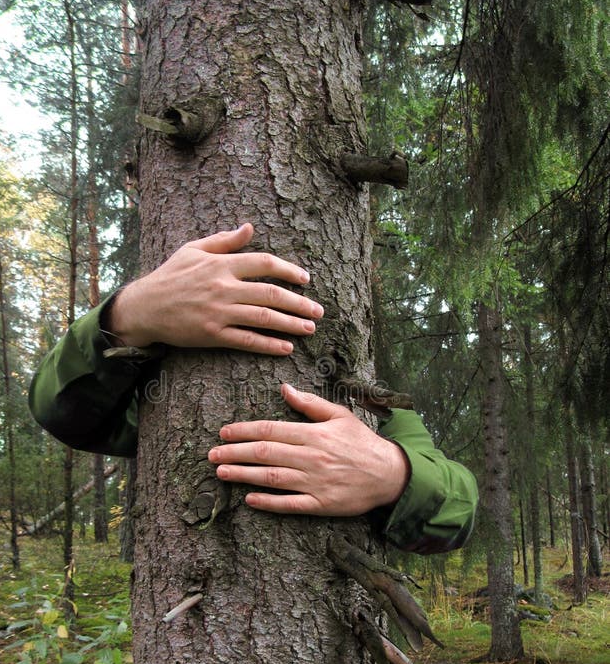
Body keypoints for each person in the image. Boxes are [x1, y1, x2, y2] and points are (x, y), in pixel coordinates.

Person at [29, 223, 477, 554]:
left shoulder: (378, 405)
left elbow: (459, 511)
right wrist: (125, 316)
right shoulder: (160, 384)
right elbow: (58, 410)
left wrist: (392, 473)